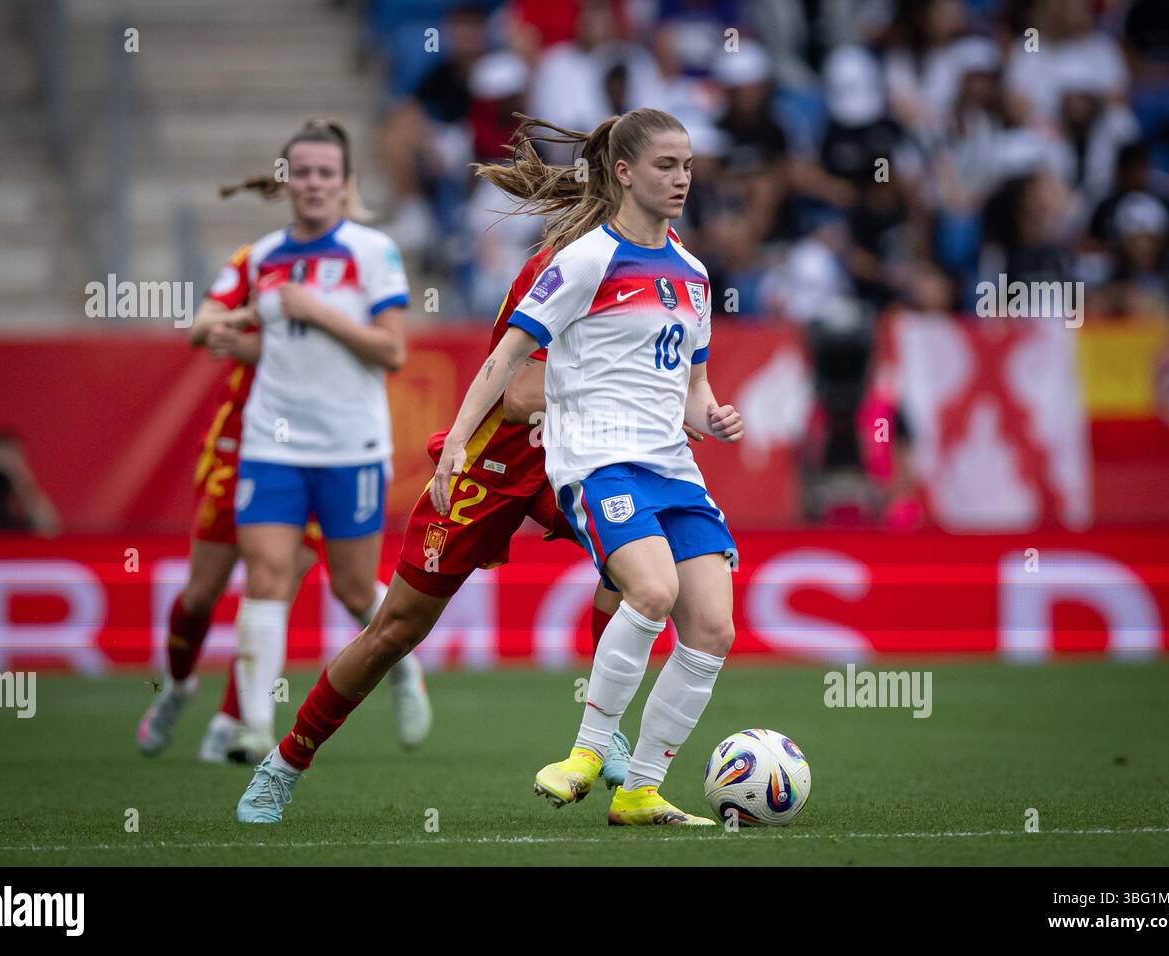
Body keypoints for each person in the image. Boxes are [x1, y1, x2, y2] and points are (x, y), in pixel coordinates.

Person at [234, 108, 742, 827]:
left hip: (594, 461)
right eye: (666, 167)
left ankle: (609, 744)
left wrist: (688, 414)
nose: (680, 181)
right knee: (396, 629)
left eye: (684, 167)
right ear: (622, 178)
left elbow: (681, 377)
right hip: (504, 461)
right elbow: (517, 389)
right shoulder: (569, 265)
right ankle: (288, 758)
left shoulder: (676, 267)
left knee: (639, 577)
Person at [217, 118, 430, 764]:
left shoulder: (372, 251)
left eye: (324, 174)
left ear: (343, 184)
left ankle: (400, 666)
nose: (312, 184)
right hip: (272, 440)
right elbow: (277, 346)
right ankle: (255, 726)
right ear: (285, 182)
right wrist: (237, 341)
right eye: (301, 172)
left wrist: (321, 312)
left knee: (353, 589)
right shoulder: (261, 257)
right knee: (267, 575)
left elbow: (392, 350)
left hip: (350, 445)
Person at [133, 276, 321, 763]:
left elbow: (359, 352)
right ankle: (176, 688)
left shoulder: (360, 257)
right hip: (241, 446)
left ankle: (232, 718)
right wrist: (234, 328)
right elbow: (200, 330)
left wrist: (252, 345)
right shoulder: (258, 260)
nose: (318, 194)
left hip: (318, 448)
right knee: (201, 594)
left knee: (274, 587)